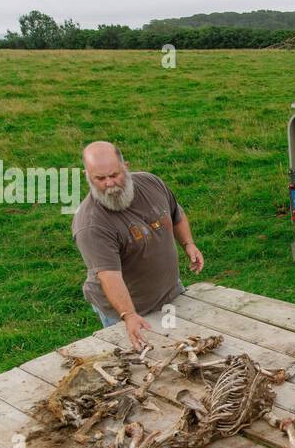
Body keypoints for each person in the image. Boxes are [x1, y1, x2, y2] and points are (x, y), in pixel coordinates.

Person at [71, 141, 203, 350]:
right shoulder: (91, 224)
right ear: (87, 176)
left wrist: (188, 244)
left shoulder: (151, 183)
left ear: (126, 166)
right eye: (100, 178)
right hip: (128, 309)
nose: (109, 183)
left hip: (170, 291)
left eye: (114, 175)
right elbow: (109, 276)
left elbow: (176, 213)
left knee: (184, 350)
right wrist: (129, 315)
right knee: (144, 363)